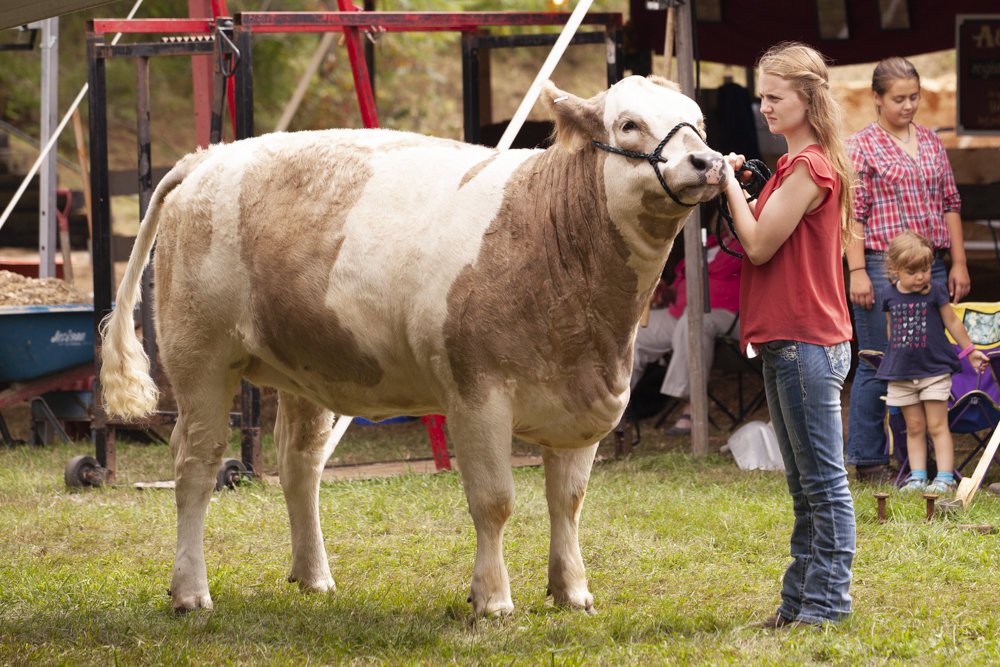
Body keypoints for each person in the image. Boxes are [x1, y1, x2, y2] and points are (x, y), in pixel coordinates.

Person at [722, 42, 855, 627]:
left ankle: (826, 607)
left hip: (807, 340)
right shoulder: (790, 166)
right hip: (789, 339)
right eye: (762, 96)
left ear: (806, 98)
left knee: (824, 485)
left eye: (775, 97)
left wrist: (725, 182)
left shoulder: (809, 168)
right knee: (803, 488)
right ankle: (797, 605)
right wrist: (748, 189)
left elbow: (757, 243)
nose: (764, 106)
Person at [844, 57, 968, 484]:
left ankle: (922, 461)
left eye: (914, 97)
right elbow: (852, 215)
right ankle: (868, 457)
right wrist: (857, 270)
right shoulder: (860, 146)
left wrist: (958, 262)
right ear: (876, 99)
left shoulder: (932, 140)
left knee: (926, 359)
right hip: (882, 264)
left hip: (930, 263)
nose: (908, 106)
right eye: (899, 99)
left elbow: (950, 202)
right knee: (880, 359)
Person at [878, 231, 988, 494]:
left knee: (938, 425)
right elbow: (891, 331)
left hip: (934, 371)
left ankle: (945, 477)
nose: (920, 277)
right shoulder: (888, 295)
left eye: (925, 269)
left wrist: (970, 351)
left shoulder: (936, 291)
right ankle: (917, 477)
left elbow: (952, 321)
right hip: (902, 373)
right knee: (914, 427)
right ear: (894, 269)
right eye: (912, 271)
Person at [630, 231, 741, 435]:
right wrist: (667, 292)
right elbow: (683, 285)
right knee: (634, 332)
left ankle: (691, 408)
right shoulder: (708, 241)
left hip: (729, 313)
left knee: (694, 319)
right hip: (681, 312)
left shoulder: (745, 241)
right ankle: (615, 406)